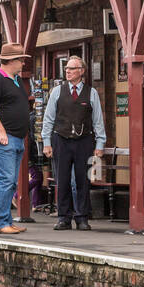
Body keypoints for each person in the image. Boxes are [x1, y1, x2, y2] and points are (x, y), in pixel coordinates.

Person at [42, 56, 107, 231]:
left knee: (83, 180)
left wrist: (100, 145)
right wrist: (46, 142)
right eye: (66, 69)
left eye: (71, 68)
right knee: (62, 179)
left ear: (81, 71)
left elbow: (98, 121)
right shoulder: (57, 91)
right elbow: (48, 119)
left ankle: (82, 218)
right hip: (61, 139)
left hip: (84, 140)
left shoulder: (91, 93)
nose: (68, 71)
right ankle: (63, 217)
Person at [0, 43, 32, 234]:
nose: (23, 63)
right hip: (4, 139)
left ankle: (7, 221)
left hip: (16, 138)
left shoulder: (16, 80)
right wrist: (2, 131)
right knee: (6, 179)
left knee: (11, 181)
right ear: (11, 60)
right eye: (21, 59)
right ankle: (1, 223)